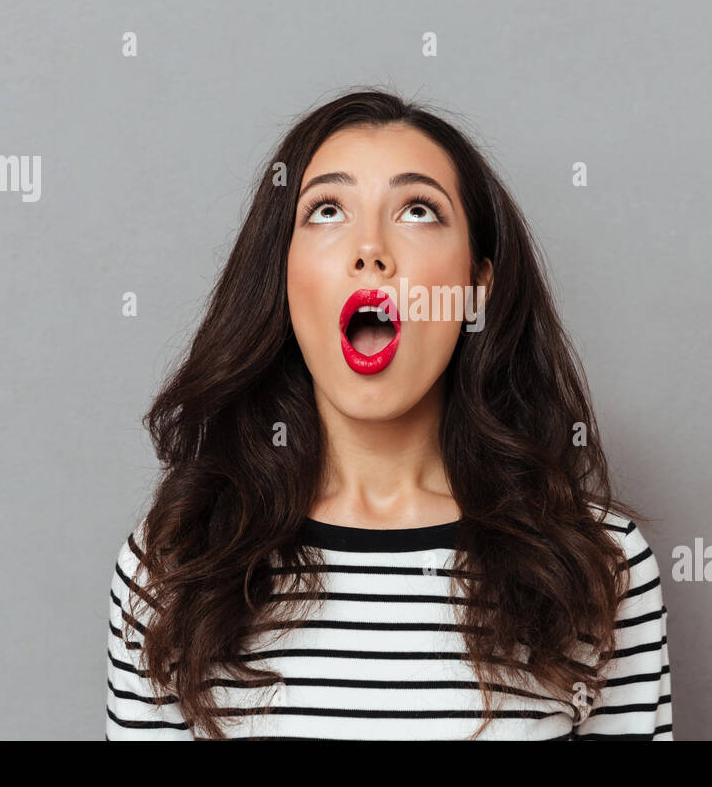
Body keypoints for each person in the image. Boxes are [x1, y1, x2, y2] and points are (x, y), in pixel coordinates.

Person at [105, 88, 672, 739]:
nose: (370, 250)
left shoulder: (596, 563)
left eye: (418, 210)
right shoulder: (176, 564)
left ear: (476, 288)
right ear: (283, 277)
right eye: (326, 210)